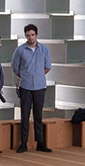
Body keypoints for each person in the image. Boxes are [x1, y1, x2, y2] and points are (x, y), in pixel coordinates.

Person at [10, 23, 53, 153]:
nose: (30, 37)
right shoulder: (20, 50)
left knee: (38, 115)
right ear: (25, 36)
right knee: (25, 115)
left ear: (37, 35)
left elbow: (48, 66)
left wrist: (37, 76)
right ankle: (23, 143)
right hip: (25, 86)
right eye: (28, 35)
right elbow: (15, 67)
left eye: (32, 35)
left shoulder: (44, 49)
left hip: (40, 86)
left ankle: (40, 143)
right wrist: (26, 76)